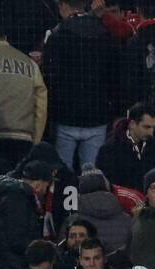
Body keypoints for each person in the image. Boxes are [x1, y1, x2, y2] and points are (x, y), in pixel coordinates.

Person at [41, 0, 119, 172]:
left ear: (63, 5)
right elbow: (114, 77)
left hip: (65, 118)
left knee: (62, 177)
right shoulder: (105, 34)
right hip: (97, 118)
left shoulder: (58, 34)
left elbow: (49, 77)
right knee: (92, 177)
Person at [0, 23, 48, 165]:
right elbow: (41, 105)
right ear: (5, 38)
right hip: (24, 137)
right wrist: (35, 138)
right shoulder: (30, 63)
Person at [93, 103, 155, 193]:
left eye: (153, 127)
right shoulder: (110, 149)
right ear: (132, 124)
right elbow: (106, 183)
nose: (151, 132)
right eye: (147, 127)